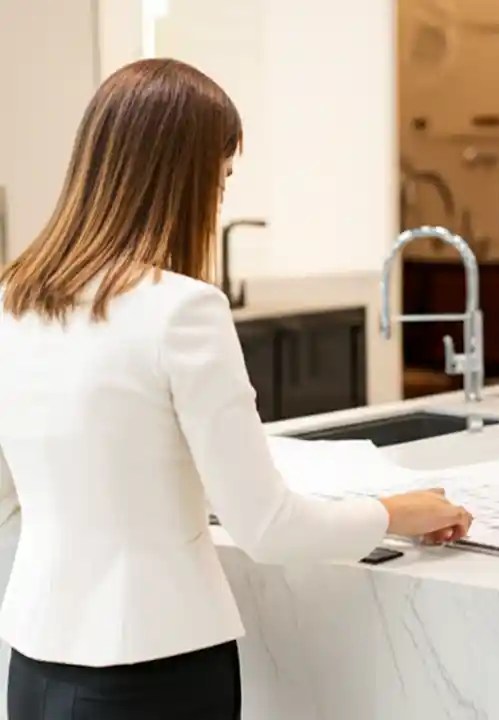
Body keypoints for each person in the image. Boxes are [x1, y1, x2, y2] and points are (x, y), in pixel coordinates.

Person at [0, 58, 473, 719]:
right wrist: (395, 512)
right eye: (220, 180)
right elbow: (268, 527)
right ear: (184, 180)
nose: (219, 200)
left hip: (32, 669)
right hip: (155, 674)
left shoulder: (13, 303)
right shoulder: (183, 310)